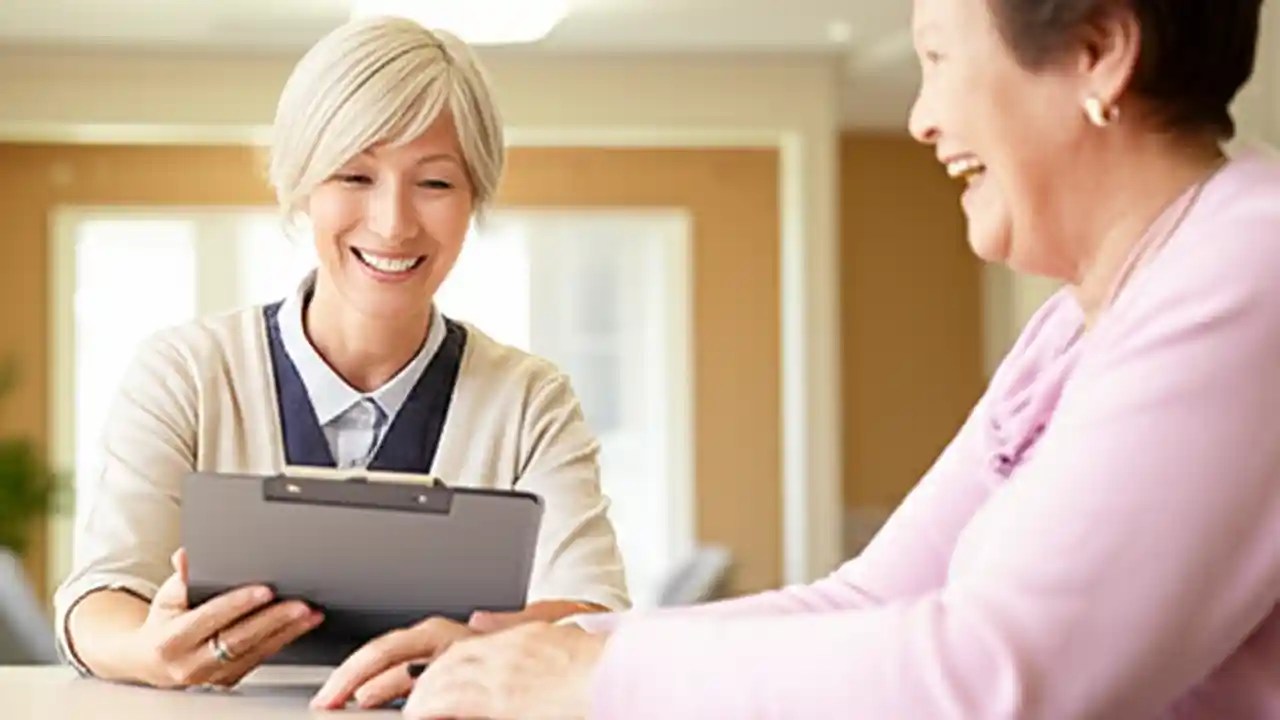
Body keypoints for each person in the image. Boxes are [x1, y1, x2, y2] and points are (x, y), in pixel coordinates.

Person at [398, 0, 1280, 718]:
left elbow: (998, 675)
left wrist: (586, 683)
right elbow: (865, 599)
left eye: (936, 59)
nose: (921, 118)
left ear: (1099, 51)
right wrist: (542, 653)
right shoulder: (1073, 327)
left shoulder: (1250, 263)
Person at [52, 15, 630, 712]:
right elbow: (99, 598)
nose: (393, 223)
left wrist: (473, 651)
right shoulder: (186, 372)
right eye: (355, 175)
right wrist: (150, 651)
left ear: (475, 195)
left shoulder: (529, 400)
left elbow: (596, 619)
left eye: (436, 183)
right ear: (301, 186)